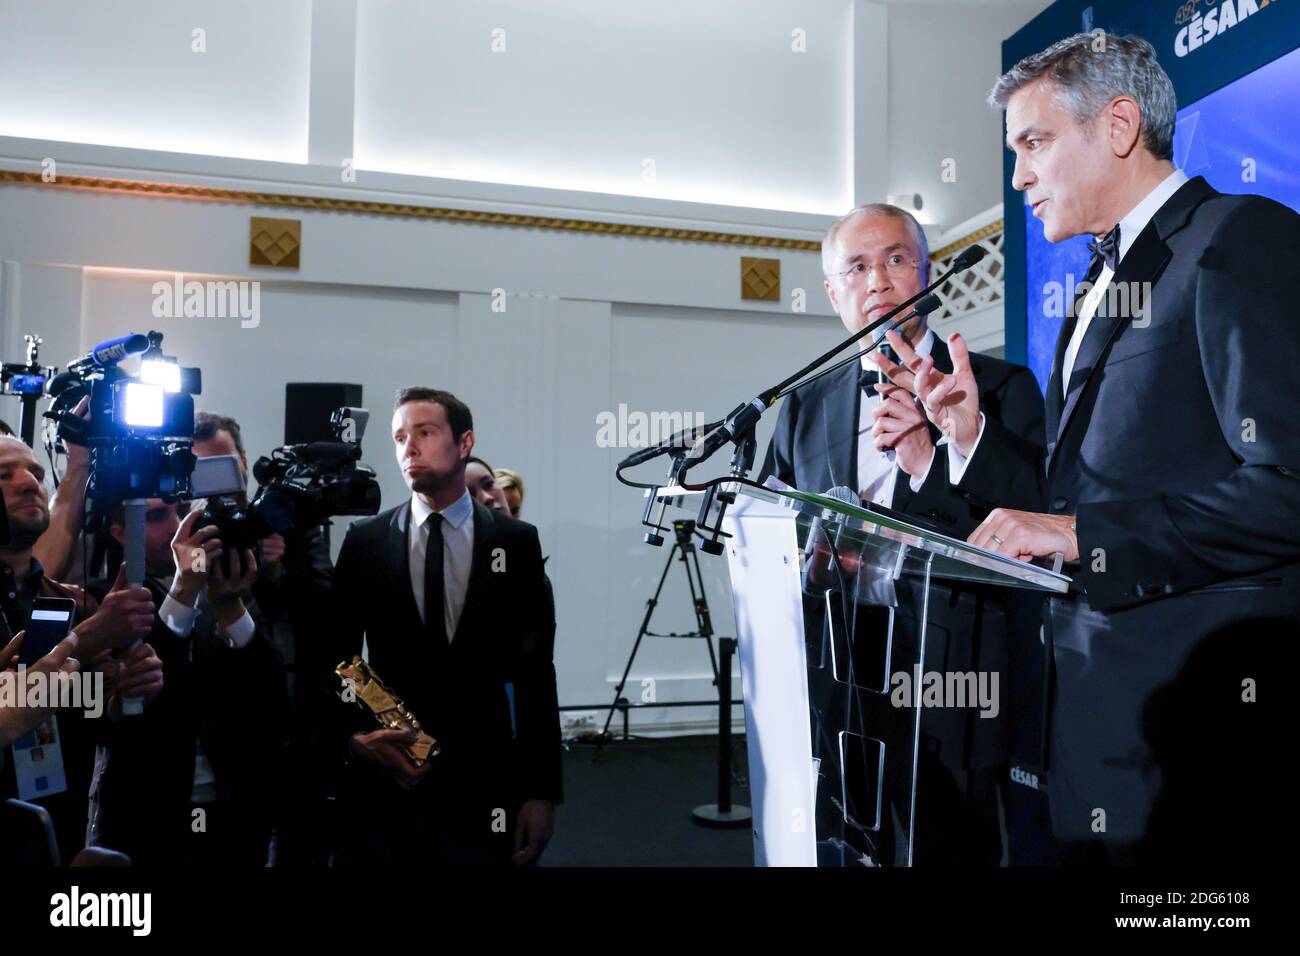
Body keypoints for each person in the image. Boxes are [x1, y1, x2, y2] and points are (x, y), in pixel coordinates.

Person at [879, 32, 1299, 865]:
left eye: (1033, 143)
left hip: (1201, 736)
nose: (1019, 176)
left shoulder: (1239, 241)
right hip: (1084, 722)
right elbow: (1076, 498)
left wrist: (1083, 537)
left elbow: (1287, 486)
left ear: (1117, 125)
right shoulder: (1094, 289)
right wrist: (968, 442)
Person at [760, 203, 1048, 864]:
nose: (879, 282)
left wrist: (931, 462)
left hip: (954, 672)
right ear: (835, 294)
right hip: (840, 665)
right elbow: (783, 521)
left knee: (951, 848)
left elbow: (1034, 529)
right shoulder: (805, 402)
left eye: (895, 260)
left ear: (926, 272)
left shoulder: (1002, 387)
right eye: (856, 268)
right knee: (851, 843)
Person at [327, 387, 561, 865]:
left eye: (425, 433)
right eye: (399, 437)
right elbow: (341, 659)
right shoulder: (366, 541)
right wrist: (355, 739)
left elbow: (535, 672)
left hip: (485, 775)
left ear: (464, 442)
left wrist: (541, 792)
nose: (408, 448)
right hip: (390, 769)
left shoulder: (514, 541)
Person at [85, 499, 289, 866]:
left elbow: (272, 696)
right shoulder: (102, 603)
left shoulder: (222, 585)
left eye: (181, 510)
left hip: (231, 815)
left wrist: (229, 607)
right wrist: (183, 591)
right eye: (156, 517)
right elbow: (134, 702)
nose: (177, 526)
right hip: (148, 817)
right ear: (119, 533)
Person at [0, 435, 161, 863]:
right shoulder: (90, 618)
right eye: (5, 474)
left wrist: (123, 692)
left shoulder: (71, 600)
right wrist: (89, 638)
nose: (29, 482)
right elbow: (12, 700)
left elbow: (87, 715)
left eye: (36, 472)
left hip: (58, 828)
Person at [192, 411, 334, 863]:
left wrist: (277, 567)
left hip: (291, 716)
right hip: (218, 727)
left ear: (245, 460)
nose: (217, 481)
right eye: (202, 468)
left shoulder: (284, 519)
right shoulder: (179, 531)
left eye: (225, 464)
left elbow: (324, 611)